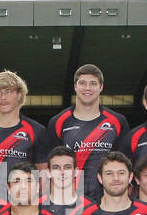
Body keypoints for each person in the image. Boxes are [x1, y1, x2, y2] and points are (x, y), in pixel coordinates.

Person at [48, 64, 130, 202]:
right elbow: (51, 166)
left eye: (93, 83)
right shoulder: (58, 122)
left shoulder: (117, 121)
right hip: (71, 200)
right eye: (82, 83)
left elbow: (125, 164)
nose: (87, 88)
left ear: (101, 87)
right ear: (75, 86)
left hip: (108, 200)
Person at [0, 70, 50, 170]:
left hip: (24, 181)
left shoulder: (36, 130)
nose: (3, 97)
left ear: (20, 94)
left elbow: (42, 172)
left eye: (8, 91)